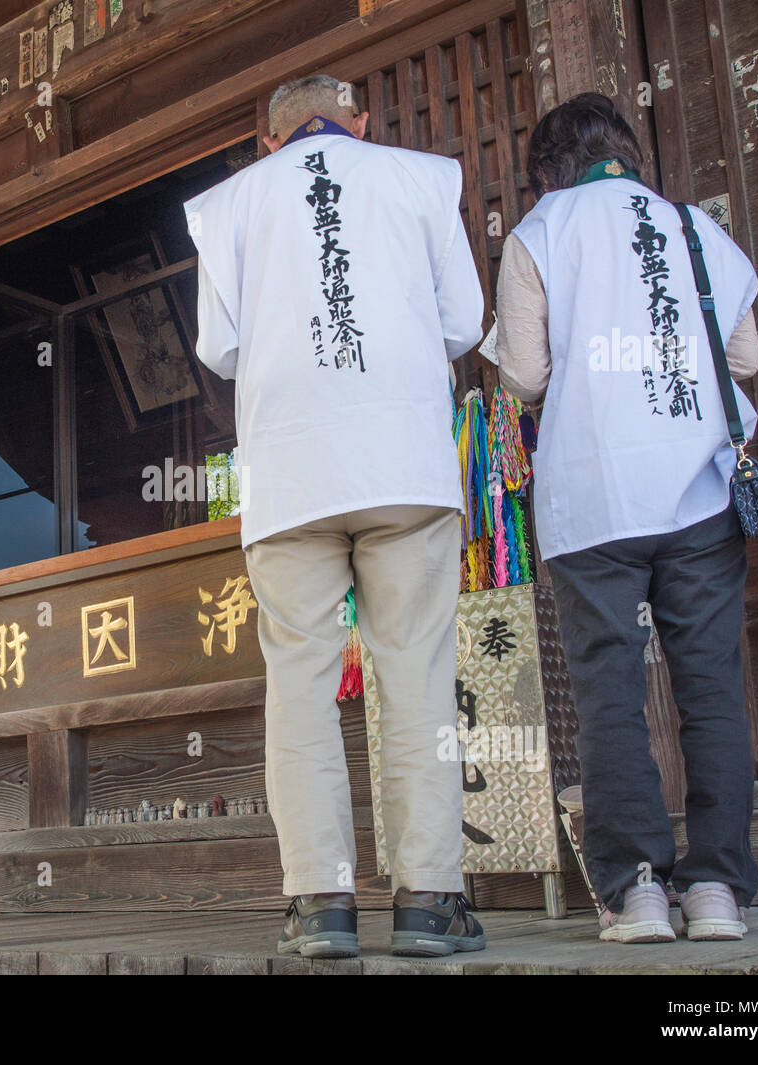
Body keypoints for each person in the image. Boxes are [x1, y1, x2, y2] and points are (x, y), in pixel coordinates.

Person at [184, 74, 485, 958]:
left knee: (301, 687)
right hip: (405, 463)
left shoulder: (230, 202)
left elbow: (220, 347)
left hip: (291, 474)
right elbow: (463, 322)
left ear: (268, 142)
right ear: (361, 123)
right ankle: (429, 899)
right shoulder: (423, 178)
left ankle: (321, 904)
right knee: (416, 674)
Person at [495, 93, 758, 943]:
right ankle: (717, 888)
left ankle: (638, 890)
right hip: (698, 494)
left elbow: (526, 377)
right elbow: (748, 355)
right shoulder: (695, 229)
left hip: (592, 499)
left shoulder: (538, 234)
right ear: (628, 153)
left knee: (609, 693)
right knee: (711, 687)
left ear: (549, 171)